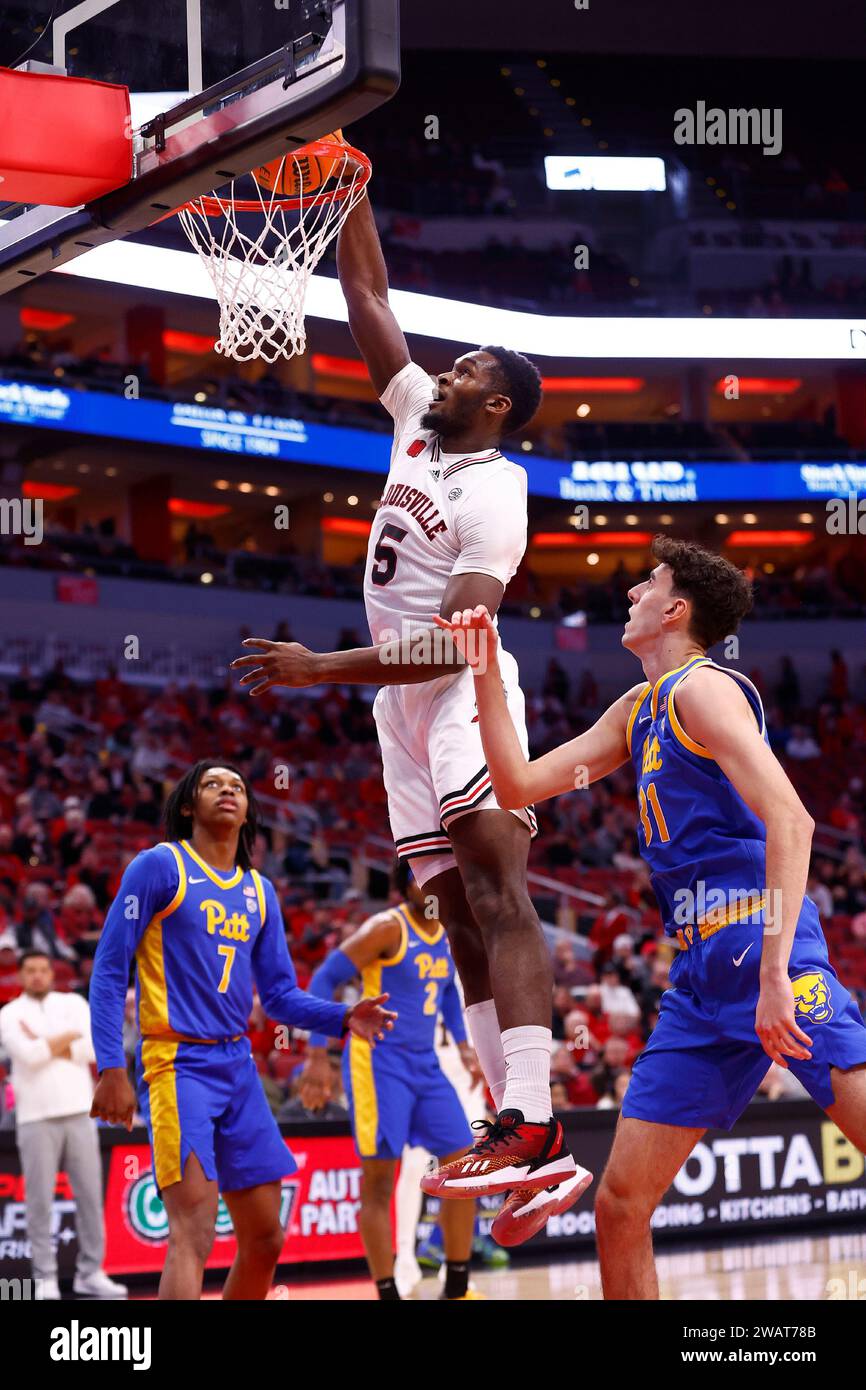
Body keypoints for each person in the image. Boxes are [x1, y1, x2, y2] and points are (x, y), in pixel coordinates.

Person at [231, 180, 587, 1239]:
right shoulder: (415, 423)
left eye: (468, 368)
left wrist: (316, 668)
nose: (446, 369)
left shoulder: (497, 489)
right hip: (399, 712)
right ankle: (508, 1133)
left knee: (495, 886)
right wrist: (346, 182)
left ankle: (536, 1117)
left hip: (456, 690)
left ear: (494, 405)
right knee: (454, 919)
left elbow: (456, 640)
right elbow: (365, 286)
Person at [438, 533, 866, 1299]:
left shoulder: (706, 689)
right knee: (620, 1207)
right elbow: (518, 785)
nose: (630, 594)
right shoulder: (640, 707)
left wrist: (774, 972)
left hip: (765, 950)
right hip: (700, 980)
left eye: (646, 584)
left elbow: (792, 823)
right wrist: (482, 673)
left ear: (675, 610)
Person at [88, 761, 394, 1300]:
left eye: (237, 787)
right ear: (187, 805)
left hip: (238, 1068)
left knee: (266, 1236)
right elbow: (111, 970)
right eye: (213, 784)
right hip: (175, 1065)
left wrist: (343, 1017)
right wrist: (112, 1065)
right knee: (194, 1231)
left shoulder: (259, 891)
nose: (228, 791)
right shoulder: (159, 868)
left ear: (249, 809)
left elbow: (278, 997)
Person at [301, 862, 482, 1299]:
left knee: (464, 1167)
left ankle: (456, 1287)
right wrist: (316, 1053)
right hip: (378, 1062)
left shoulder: (448, 934)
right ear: (405, 886)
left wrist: (462, 1045)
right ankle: (388, 1292)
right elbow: (325, 977)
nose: (431, 885)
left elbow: (444, 997)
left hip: (425, 1065)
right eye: (420, 876)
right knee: (381, 1180)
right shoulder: (387, 928)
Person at [0, 951, 126, 1300]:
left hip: (79, 1111)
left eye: (43, 970)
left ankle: (91, 1273)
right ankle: (44, 1278)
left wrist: (46, 1041)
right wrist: (67, 1036)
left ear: (52, 973)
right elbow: (29, 1057)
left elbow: (93, 1050)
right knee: (38, 1201)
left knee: (90, 1197)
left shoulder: (73, 1002)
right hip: (35, 1116)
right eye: (30, 971)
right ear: (21, 976)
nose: (37, 976)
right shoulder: (8, 1014)